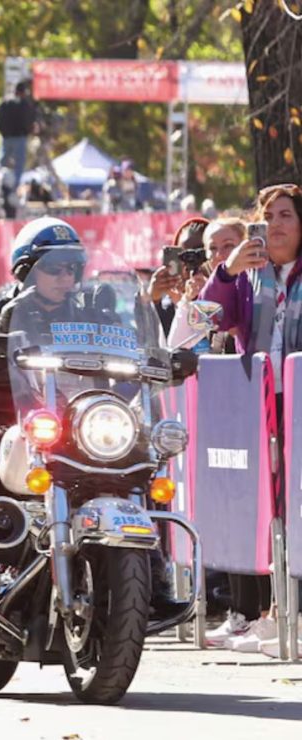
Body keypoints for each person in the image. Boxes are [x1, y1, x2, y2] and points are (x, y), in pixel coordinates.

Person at [0, 218, 90, 607]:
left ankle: (150, 569)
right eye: (53, 267)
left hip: (80, 425)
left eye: (72, 267)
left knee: (140, 458)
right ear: (27, 272)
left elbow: (133, 350)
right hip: (4, 422)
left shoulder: (92, 312)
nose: (65, 276)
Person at [199, 183, 302, 655]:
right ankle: (270, 615)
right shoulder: (249, 276)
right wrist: (228, 269)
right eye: (268, 217)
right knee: (268, 512)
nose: (276, 225)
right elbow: (209, 318)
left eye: (285, 215)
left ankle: (289, 616)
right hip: (261, 405)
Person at [0, 80, 37, 185]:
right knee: (19, 166)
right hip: (20, 138)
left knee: (3, 163)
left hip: (6, 138)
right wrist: (26, 131)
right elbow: (30, 122)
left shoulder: (5, 103)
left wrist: (4, 132)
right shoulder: (25, 105)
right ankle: (13, 189)